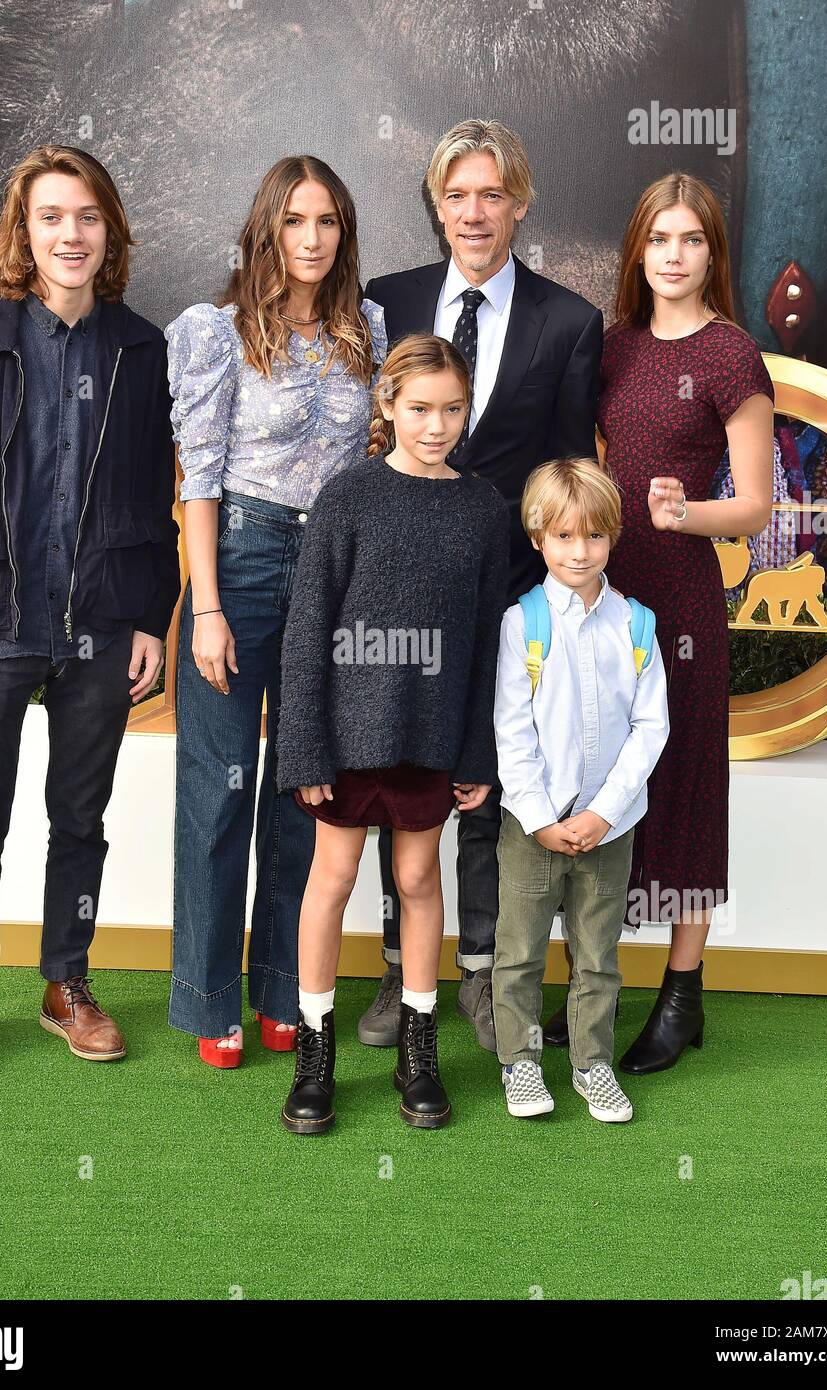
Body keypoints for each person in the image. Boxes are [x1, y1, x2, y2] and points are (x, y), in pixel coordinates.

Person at [0, 146, 181, 1080]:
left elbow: (156, 500)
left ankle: (68, 982)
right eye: (52, 217)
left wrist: (152, 615)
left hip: (102, 629)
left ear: (111, 232)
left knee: (82, 818)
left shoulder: (142, 352)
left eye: (88, 216)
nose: (71, 234)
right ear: (24, 235)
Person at [360, 119, 602, 1051]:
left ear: (520, 203)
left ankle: (480, 972)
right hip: (401, 595)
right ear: (434, 203)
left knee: (491, 782)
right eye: (456, 194)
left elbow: (571, 466)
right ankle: (395, 967)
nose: (473, 212)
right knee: (403, 776)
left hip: (507, 598)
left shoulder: (568, 323)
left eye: (491, 194)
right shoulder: (387, 302)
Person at [542, 172, 774, 1072]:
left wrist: (688, 515)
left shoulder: (730, 356)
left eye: (691, 239)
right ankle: (589, 981)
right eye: (658, 239)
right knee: (589, 767)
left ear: (712, 252)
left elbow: (754, 504)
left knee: (678, 781)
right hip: (600, 590)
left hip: (678, 598)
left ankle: (682, 993)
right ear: (637, 250)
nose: (673, 255)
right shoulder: (614, 346)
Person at [165, 157, 387, 1068]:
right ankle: (209, 996)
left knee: (306, 791)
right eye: (295, 220)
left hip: (329, 571)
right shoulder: (213, 333)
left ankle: (283, 990)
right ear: (266, 227)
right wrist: (207, 606)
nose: (311, 238)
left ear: (343, 233)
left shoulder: (364, 329)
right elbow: (199, 481)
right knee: (217, 794)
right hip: (241, 562)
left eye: (327, 221)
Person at [275, 333, 509, 1132]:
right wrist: (303, 747)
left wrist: (477, 752)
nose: (436, 425)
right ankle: (315, 1053)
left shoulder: (482, 508)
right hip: (344, 738)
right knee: (332, 881)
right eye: (418, 409)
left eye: (451, 409)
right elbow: (307, 629)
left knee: (416, 882)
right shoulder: (347, 497)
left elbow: (486, 643)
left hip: (434, 737)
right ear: (386, 406)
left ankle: (419, 1049)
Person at [492, 459, 669, 1121]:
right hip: (531, 828)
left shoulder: (636, 626)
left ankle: (591, 1066)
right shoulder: (522, 625)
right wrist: (540, 818)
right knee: (518, 954)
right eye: (563, 537)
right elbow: (511, 730)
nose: (578, 551)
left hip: (609, 827)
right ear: (538, 538)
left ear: (612, 538)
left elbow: (650, 728)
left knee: (597, 956)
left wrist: (602, 812)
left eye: (592, 537)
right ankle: (520, 1064)